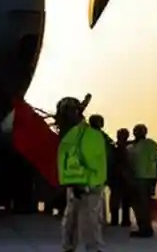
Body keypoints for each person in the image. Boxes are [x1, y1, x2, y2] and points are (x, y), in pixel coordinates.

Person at [57, 98, 108, 252]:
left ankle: (94, 249)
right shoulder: (72, 134)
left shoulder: (88, 135)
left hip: (87, 187)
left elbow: (93, 164)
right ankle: (68, 248)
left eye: (64, 113)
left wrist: (83, 184)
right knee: (70, 223)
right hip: (75, 186)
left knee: (89, 223)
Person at [128, 124, 157, 238]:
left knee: (140, 205)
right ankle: (147, 228)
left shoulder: (133, 148)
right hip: (151, 177)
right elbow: (156, 159)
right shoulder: (152, 144)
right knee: (146, 204)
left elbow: (131, 160)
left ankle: (144, 228)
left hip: (139, 178)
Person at [108, 127, 133, 228]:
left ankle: (116, 220)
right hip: (121, 176)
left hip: (115, 176)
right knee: (124, 200)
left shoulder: (114, 147)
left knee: (116, 199)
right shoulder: (127, 148)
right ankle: (124, 220)